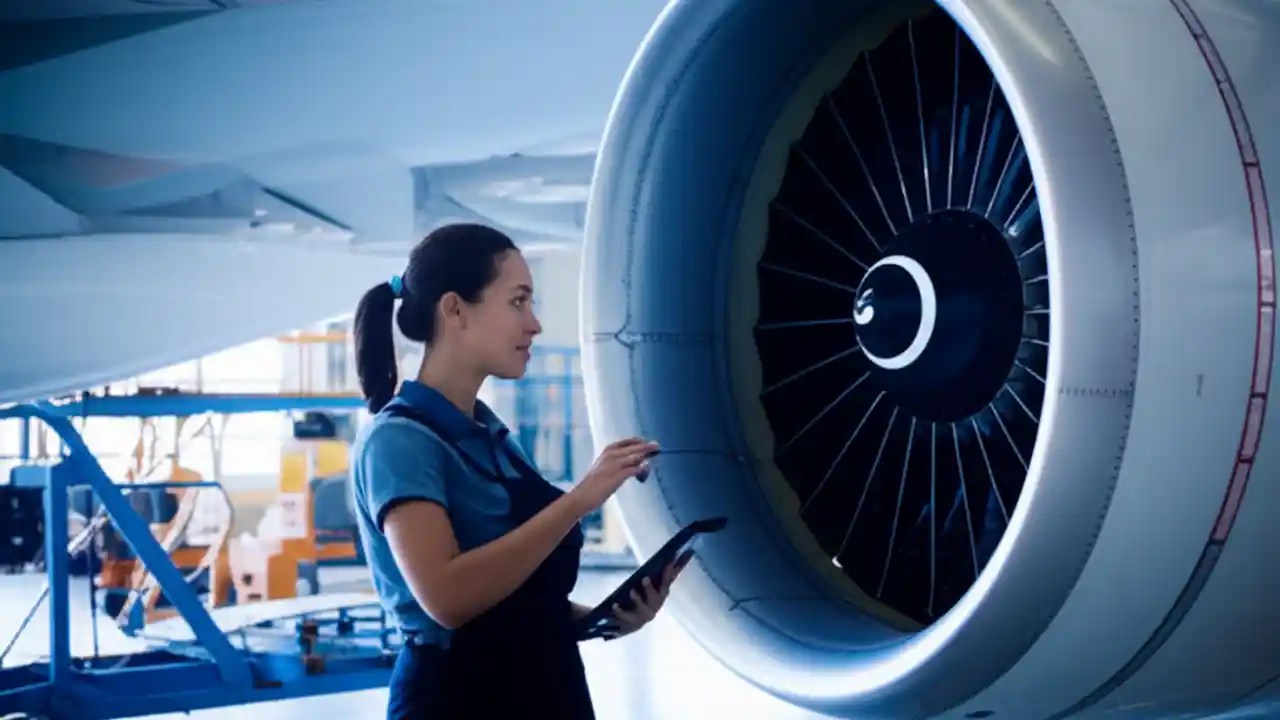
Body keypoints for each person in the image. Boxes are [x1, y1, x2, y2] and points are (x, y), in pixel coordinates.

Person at [349, 223, 690, 719]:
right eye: (518, 302)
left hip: (542, 686)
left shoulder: (493, 436)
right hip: (460, 701)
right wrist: (582, 498)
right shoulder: (398, 441)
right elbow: (447, 599)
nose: (534, 324)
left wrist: (601, 617)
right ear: (455, 310)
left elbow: (512, 601)